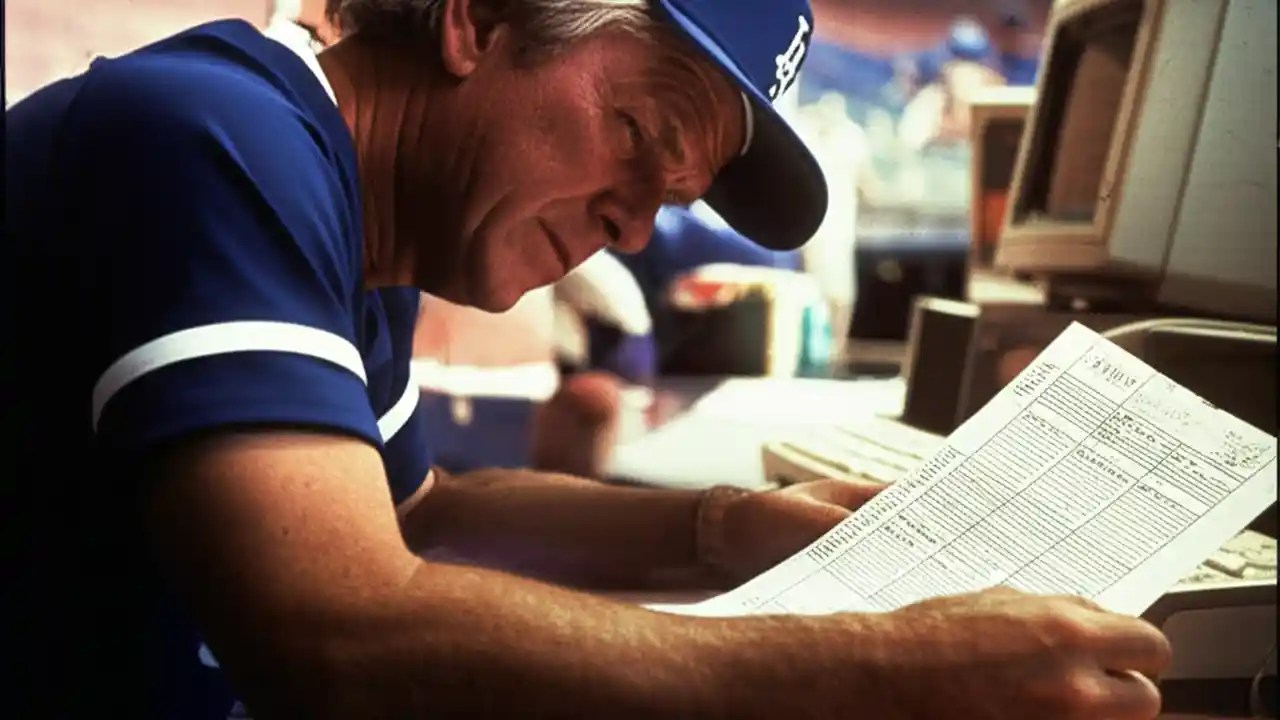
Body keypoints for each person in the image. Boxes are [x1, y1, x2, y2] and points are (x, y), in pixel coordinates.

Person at [5, 1, 1172, 719]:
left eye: (668, 200)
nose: (630, 230)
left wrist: (720, 524)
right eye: (641, 143)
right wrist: (871, 670)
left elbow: (419, 512)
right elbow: (337, 635)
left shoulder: (362, 220)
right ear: (477, 17)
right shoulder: (212, 137)